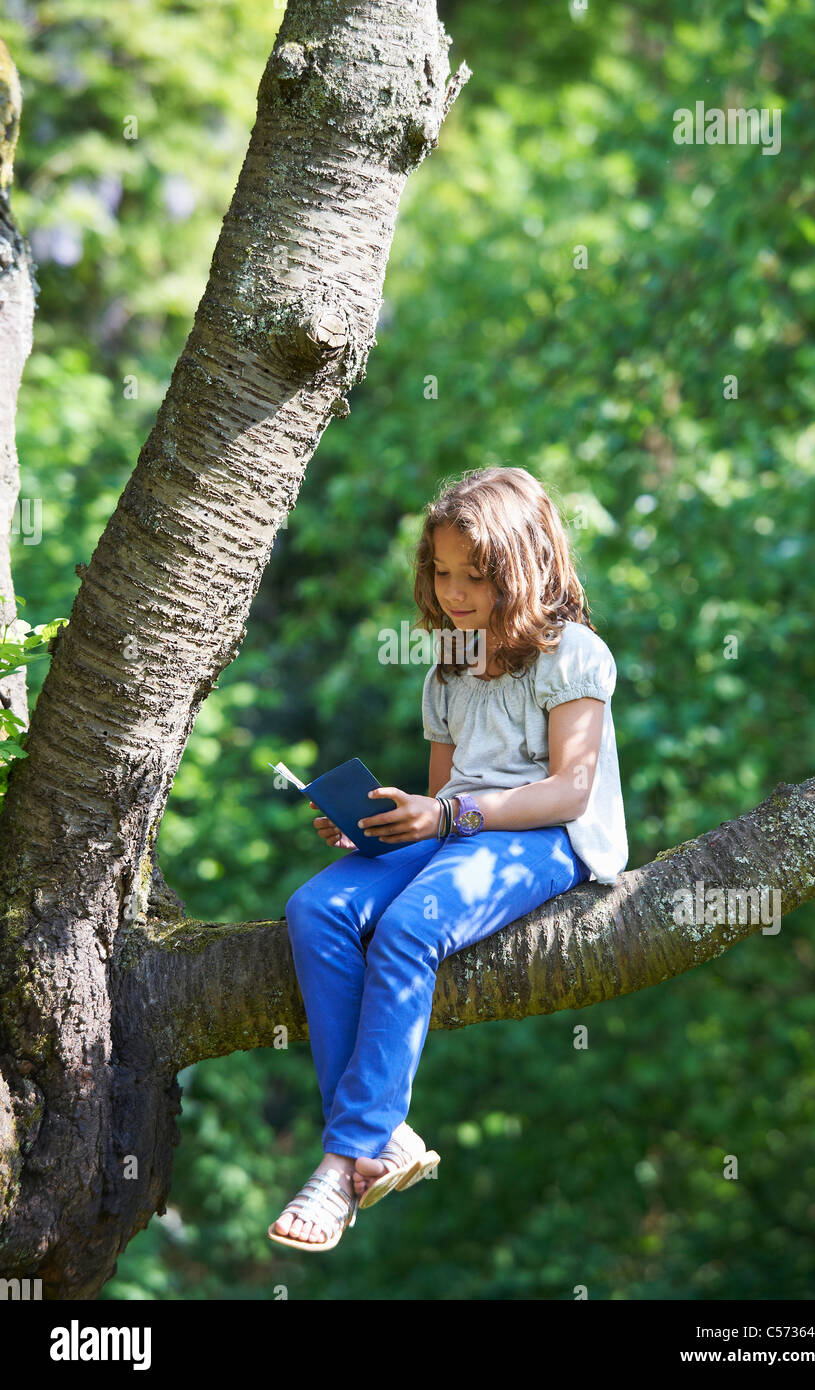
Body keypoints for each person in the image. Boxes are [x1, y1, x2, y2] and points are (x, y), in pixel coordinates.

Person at [268, 465, 628, 1251]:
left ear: (522, 567)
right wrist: (380, 829)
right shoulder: (447, 668)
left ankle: (341, 1163)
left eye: (476, 574)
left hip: (543, 842)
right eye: (441, 571)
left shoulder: (573, 654)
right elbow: (441, 800)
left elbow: (569, 789)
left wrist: (448, 814)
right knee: (317, 908)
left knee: (406, 929)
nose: (455, 590)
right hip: (462, 833)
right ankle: (387, 1135)